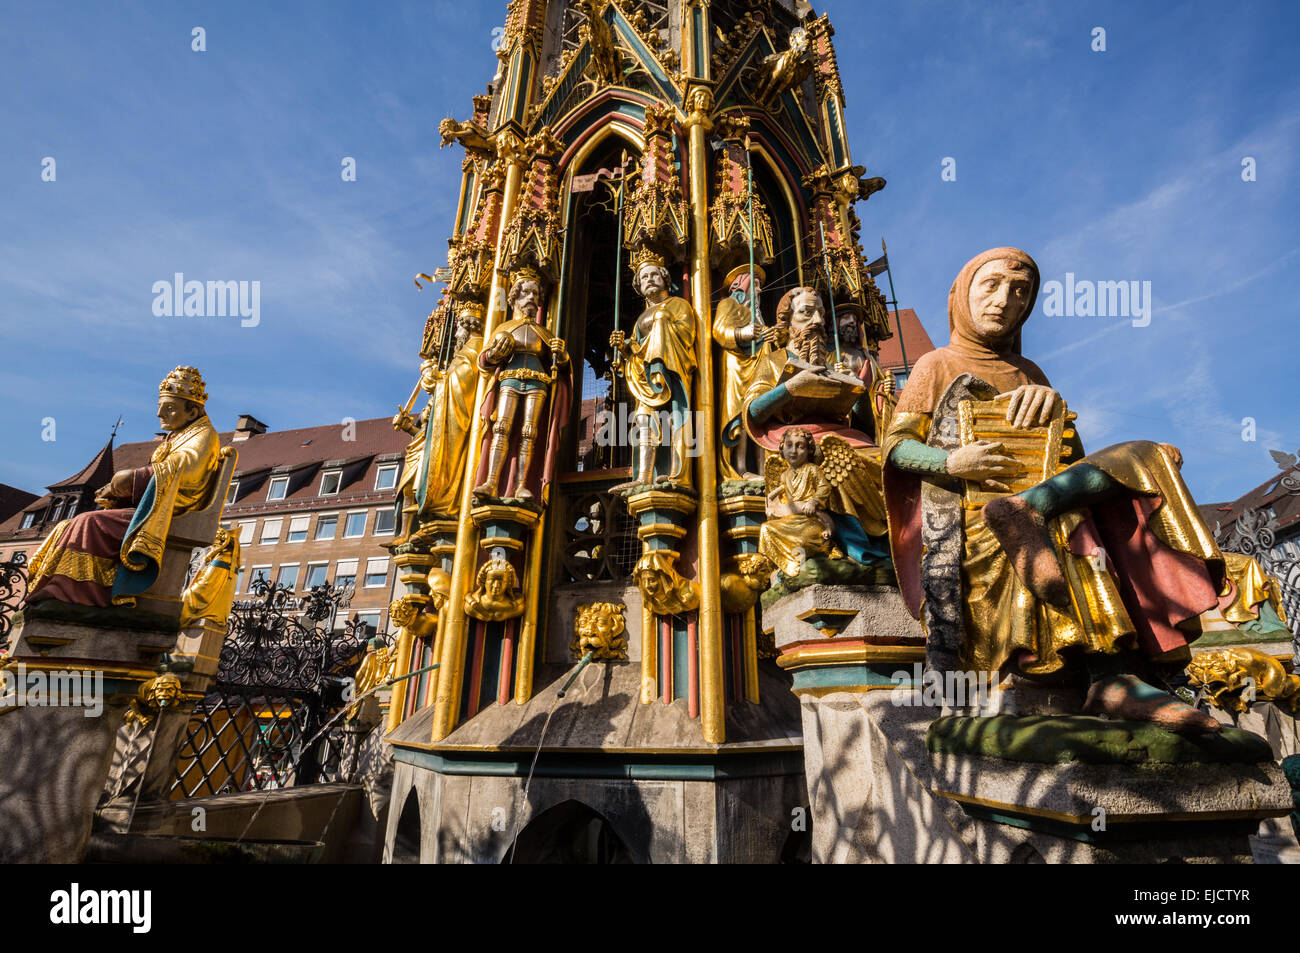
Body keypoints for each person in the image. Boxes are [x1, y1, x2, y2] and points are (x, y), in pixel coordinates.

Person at [882, 247, 1225, 733]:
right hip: (972, 520)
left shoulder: (1032, 373)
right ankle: (1111, 676)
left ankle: (1029, 509)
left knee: (1145, 456)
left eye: (1020, 292)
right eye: (992, 285)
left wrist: (1053, 404)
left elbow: (1071, 458)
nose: (1005, 300)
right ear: (962, 295)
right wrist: (952, 460)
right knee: (1069, 522)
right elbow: (895, 449)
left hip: (1032, 509)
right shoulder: (936, 363)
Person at [25, 366, 221, 609]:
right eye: (160, 405)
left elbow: (183, 472)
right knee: (67, 524)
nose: (160, 413)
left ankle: (76, 593)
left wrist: (126, 481)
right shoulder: (179, 436)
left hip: (172, 514)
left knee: (88, 523)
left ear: (192, 411)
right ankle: (58, 586)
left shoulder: (204, 436)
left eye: (170, 408)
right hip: (152, 509)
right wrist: (123, 489)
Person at [473, 272, 571, 501]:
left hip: (538, 382)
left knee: (529, 432)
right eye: (526, 292)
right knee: (502, 428)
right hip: (510, 379)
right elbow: (484, 360)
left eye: (535, 293)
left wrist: (562, 354)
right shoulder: (505, 327)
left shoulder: (543, 332)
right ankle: (491, 482)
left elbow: (560, 364)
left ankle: (521, 485)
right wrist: (495, 354)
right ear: (515, 297)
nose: (531, 297)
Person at [393, 304, 484, 536]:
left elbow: (463, 388)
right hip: (432, 441)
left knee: (412, 489)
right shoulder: (461, 356)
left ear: (466, 327)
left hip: (459, 433)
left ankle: (441, 504)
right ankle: (406, 532)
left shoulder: (473, 350)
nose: (455, 335)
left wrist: (438, 381)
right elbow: (430, 429)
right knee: (408, 491)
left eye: (457, 329)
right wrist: (410, 427)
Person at [610, 249, 697, 488]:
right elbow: (637, 349)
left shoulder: (678, 305)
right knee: (643, 421)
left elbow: (687, 334)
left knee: (671, 418)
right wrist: (624, 347)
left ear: (665, 278)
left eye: (653, 275)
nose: (649, 279)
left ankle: (676, 474)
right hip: (646, 376)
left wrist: (660, 326)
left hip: (670, 371)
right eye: (644, 277)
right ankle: (643, 477)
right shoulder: (641, 318)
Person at [713, 264, 779, 480]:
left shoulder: (757, 313)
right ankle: (740, 468)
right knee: (739, 417)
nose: (759, 291)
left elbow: (762, 338)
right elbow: (719, 330)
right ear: (743, 285)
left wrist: (769, 336)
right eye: (756, 285)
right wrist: (741, 333)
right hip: (738, 366)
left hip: (760, 365)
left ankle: (763, 470)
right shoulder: (729, 304)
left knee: (760, 417)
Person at [758, 427, 836, 576]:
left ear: (808, 450)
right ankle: (786, 564)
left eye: (800, 446)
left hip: (809, 520)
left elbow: (824, 487)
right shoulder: (784, 475)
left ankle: (797, 562)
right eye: (789, 445)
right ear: (782, 448)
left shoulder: (812, 469)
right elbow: (780, 500)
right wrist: (772, 510)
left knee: (800, 540)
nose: (793, 451)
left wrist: (813, 501)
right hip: (791, 521)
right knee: (765, 530)